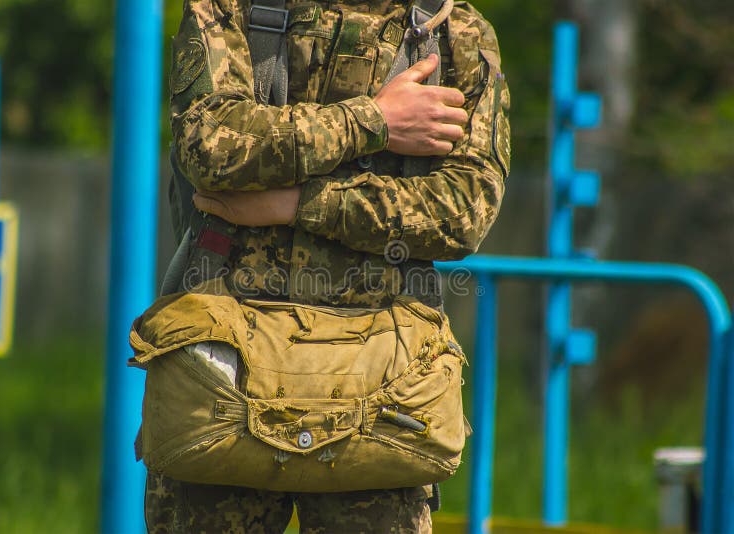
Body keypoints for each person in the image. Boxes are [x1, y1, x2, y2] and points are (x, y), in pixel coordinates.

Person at [146, 0, 509, 531]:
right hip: (223, 373)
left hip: (381, 384)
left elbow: (465, 211)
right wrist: (375, 121)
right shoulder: (233, 8)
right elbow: (209, 145)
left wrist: (298, 203)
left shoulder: (453, 33)